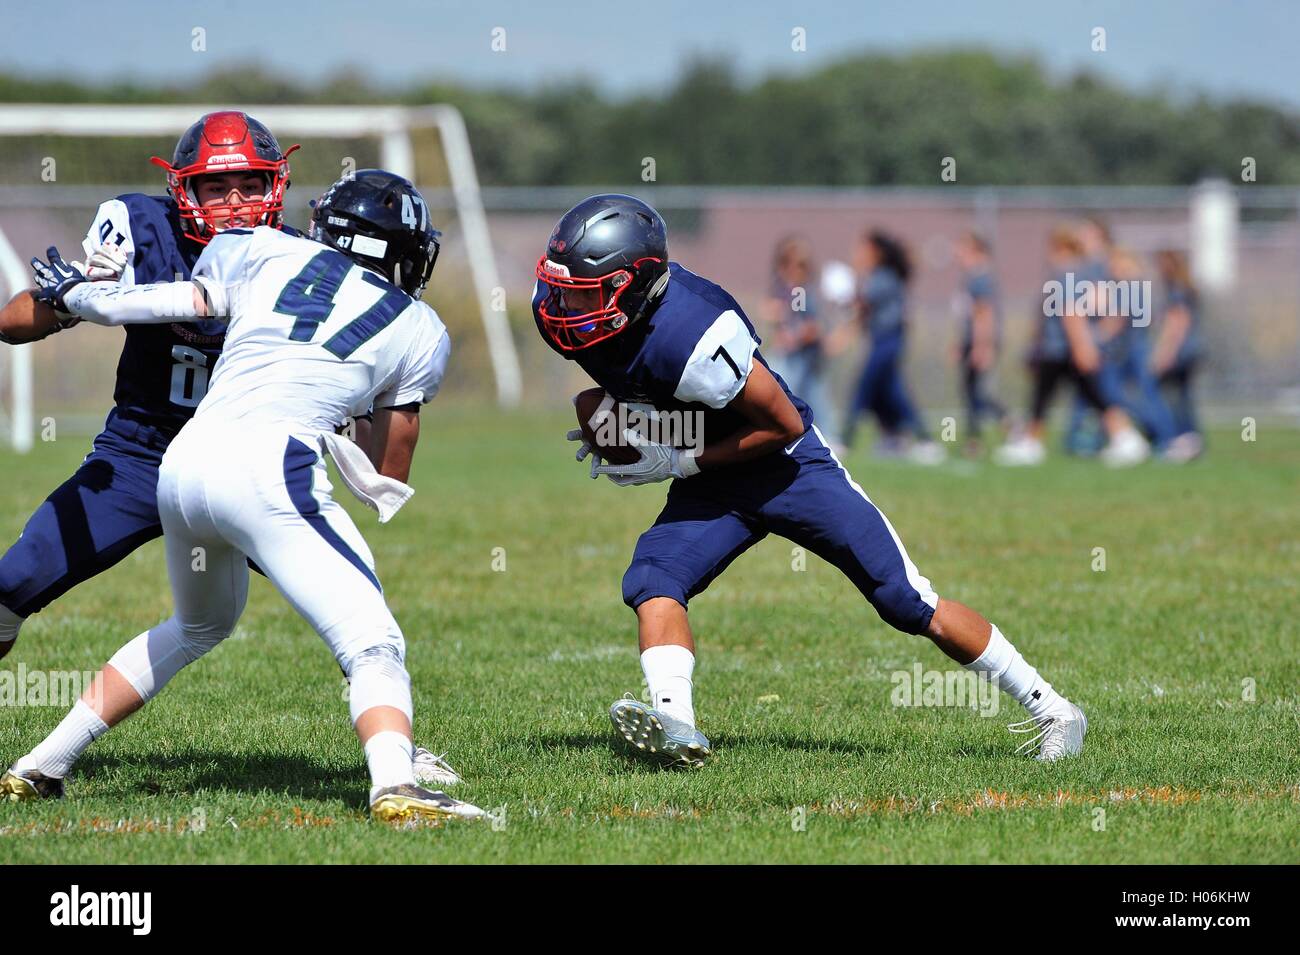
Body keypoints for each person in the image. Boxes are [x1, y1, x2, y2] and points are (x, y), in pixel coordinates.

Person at [533, 194, 1087, 768]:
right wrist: (616, 423)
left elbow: (783, 424)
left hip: (786, 466)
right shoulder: (563, 316)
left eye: (584, 293)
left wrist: (679, 461)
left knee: (905, 600)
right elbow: (616, 389)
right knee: (653, 578)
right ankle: (678, 728)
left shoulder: (693, 333)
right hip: (715, 471)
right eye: (564, 287)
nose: (564, 303)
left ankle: (1054, 709)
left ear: (638, 286)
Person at [2, 170, 483, 824]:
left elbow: (161, 302)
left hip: (185, 461)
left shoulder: (262, 249)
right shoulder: (420, 326)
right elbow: (386, 474)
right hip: (269, 469)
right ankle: (396, 783)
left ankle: (41, 764)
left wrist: (83, 296)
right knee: (374, 640)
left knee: (200, 623)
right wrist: (347, 421)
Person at [996, 225, 1149, 467]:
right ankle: (1126, 438)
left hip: (1060, 349)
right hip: (1065, 348)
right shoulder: (1085, 273)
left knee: (1050, 396)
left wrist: (1082, 346)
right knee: (1089, 396)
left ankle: (1032, 443)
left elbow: (1072, 313)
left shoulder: (1067, 273)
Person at [843, 230, 944, 464]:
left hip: (888, 341)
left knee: (864, 388)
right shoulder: (879, 276)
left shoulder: (883, 277)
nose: (857, 254)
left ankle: (845, 439)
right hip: (882, 340)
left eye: (862, 249)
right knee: (888, 392)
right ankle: (900, 438)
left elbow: (860, 302)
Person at [761, 235, 840, 446]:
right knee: (803, 394)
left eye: (802, 266)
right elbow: (778, 315)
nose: (796, 270)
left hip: (803, 356)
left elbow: (809, 325)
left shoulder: (800, 292)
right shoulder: (785, 288)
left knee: (806, 396)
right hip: (793, 356)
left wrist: (793, 335)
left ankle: (827, 437)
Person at [952, 231, 1010, 455]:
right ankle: (974, 442)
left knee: (976, 393)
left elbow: (984, 315)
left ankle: (1009, 424)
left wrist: (981, 346)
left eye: (962, 248)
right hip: (972, 341)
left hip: (980, 343)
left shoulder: (981, 278)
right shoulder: (970, 277)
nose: (957, 254)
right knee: (971, 393)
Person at [1151, 249, 1204, 459]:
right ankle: (1192, 439)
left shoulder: (1177, 290)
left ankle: (1181, 440)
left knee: (1171, 397)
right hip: (1191, 350)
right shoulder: (1187, 288)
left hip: (1180, 352)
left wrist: (1164, 353)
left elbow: (1177, 324)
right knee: (1183, 396)